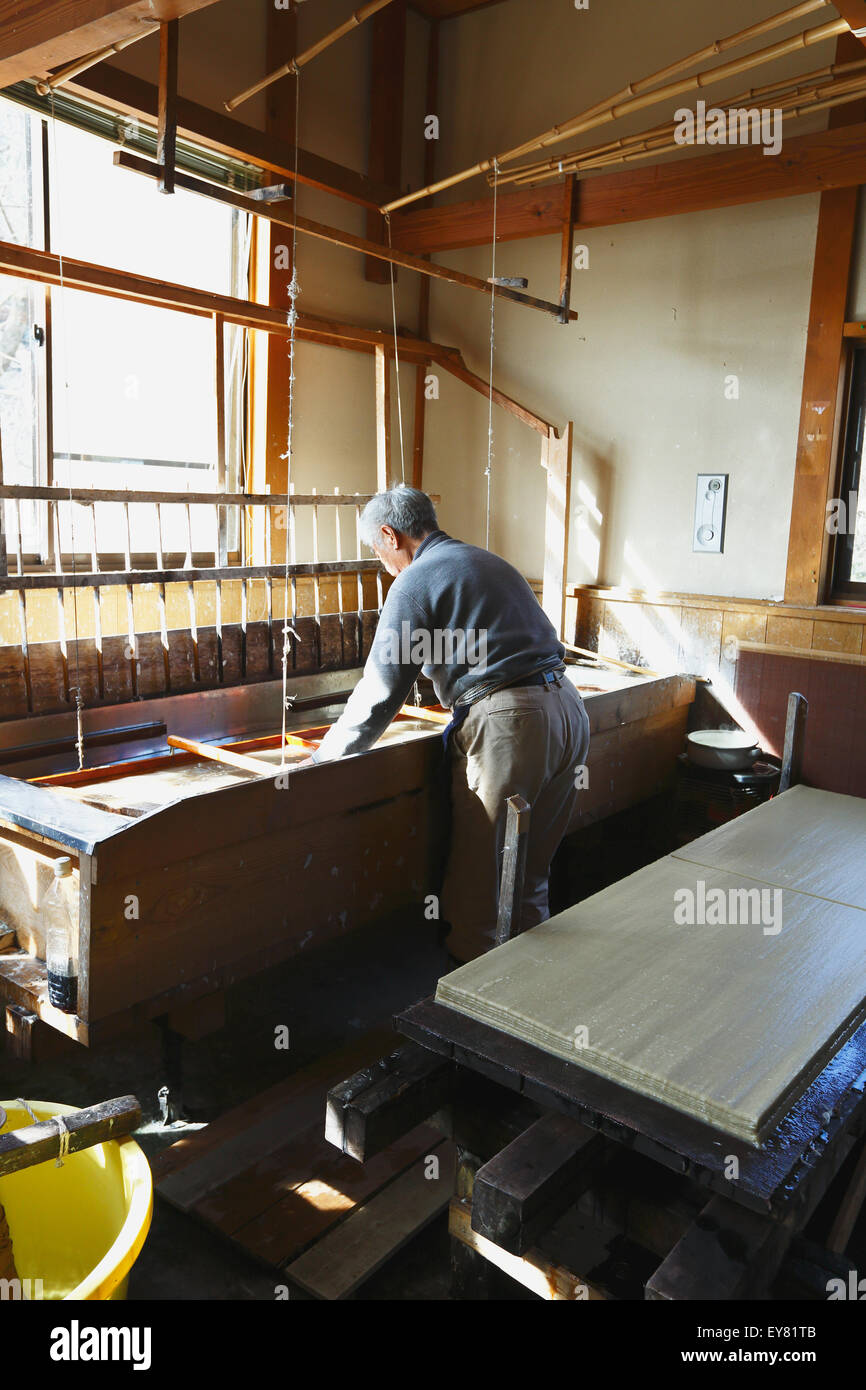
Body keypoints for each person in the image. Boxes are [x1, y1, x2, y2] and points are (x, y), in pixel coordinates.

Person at [311, 486, 590, 962]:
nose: (381, 563)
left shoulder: (415, 581)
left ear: (389, 534)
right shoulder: (489, 562)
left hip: (512, 725)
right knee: (526, 878)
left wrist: (322, 762)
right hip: (567, 709)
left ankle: (478, 1023)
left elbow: (380, 692)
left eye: (376, 551)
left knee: (481, 895)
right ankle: (536, 1006)